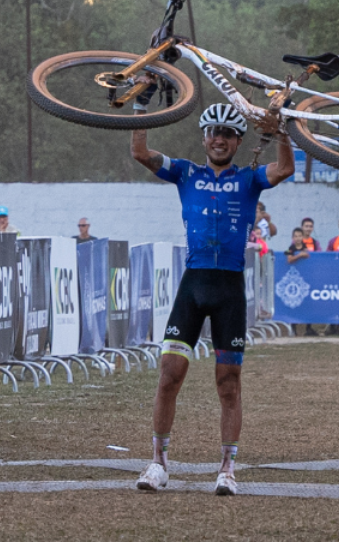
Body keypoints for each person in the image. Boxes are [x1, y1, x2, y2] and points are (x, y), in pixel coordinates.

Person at [131, 102, 294, 496]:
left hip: (229, 289)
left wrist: (283, 129)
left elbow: (285, 168)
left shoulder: (250, 178)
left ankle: (227, 469)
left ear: (238, 141)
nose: (219, 139)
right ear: (204, 137)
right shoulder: (186, 172)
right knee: (170, 375)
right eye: (212, 132)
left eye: (227, 134)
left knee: (228, 383)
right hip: (194, 282)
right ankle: (158, 462)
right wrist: (140, 104)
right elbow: (140, 152)